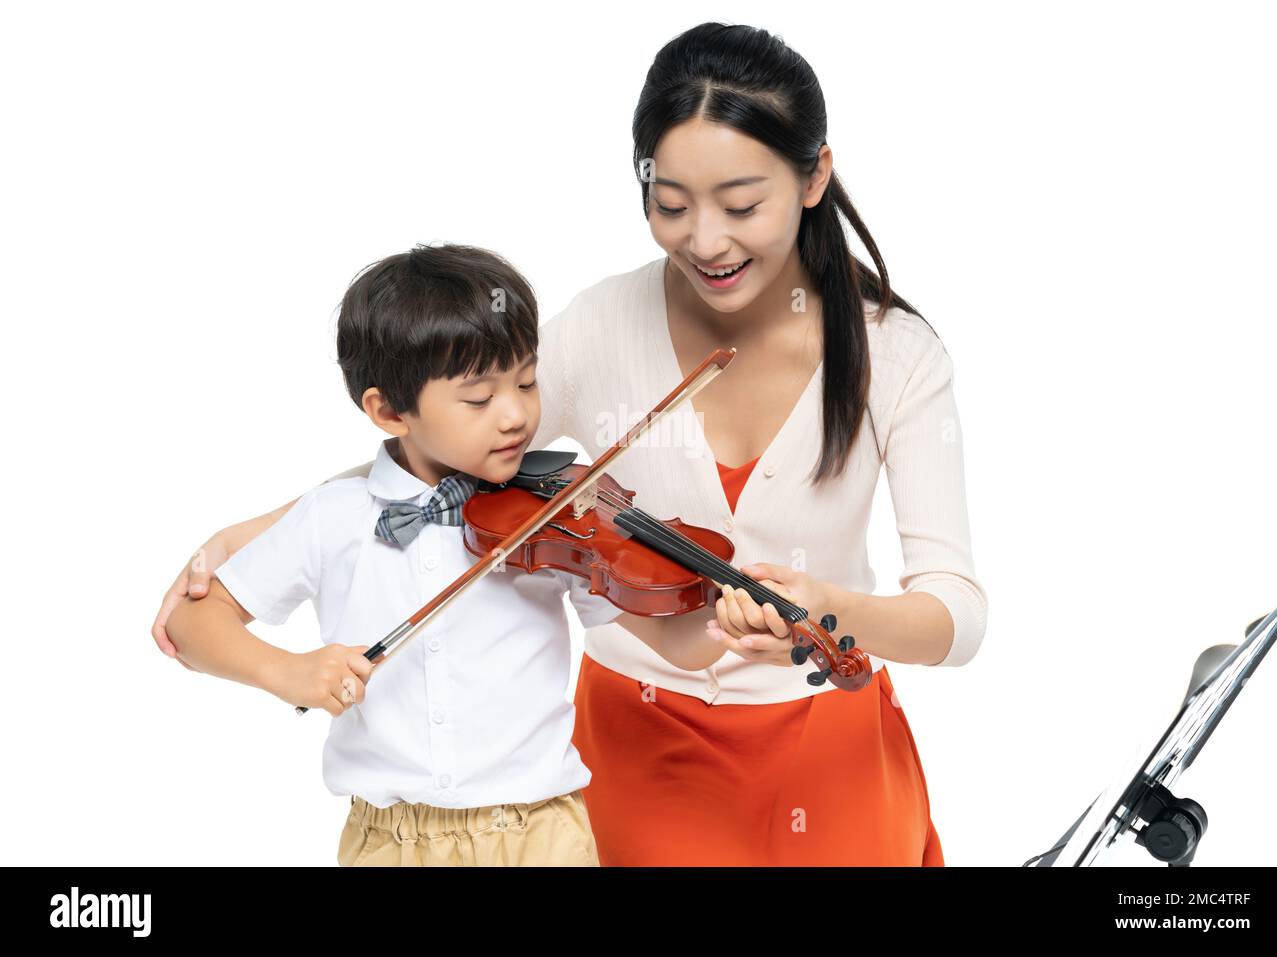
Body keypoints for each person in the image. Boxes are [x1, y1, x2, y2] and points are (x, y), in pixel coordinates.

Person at [155, 22, 988, 865]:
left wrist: (826, 608)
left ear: (815, 176)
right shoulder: (602, 323)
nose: (704, 240)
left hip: (827, 744)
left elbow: (956, 616)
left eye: (741, 205)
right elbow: (450, 439)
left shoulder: (899, 355)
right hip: (638, 739)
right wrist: (244, 540)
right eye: (670, 205)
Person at [164, 243, 730, 866]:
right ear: (387, 410)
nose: (517, 414)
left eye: (526, 381)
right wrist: (285, 671)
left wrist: (733, 617)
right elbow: (192, 622)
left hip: (538, 835)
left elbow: (684, 645)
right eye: (479, 399)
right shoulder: (332, 517)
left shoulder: (559, 519)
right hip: (389, 842)